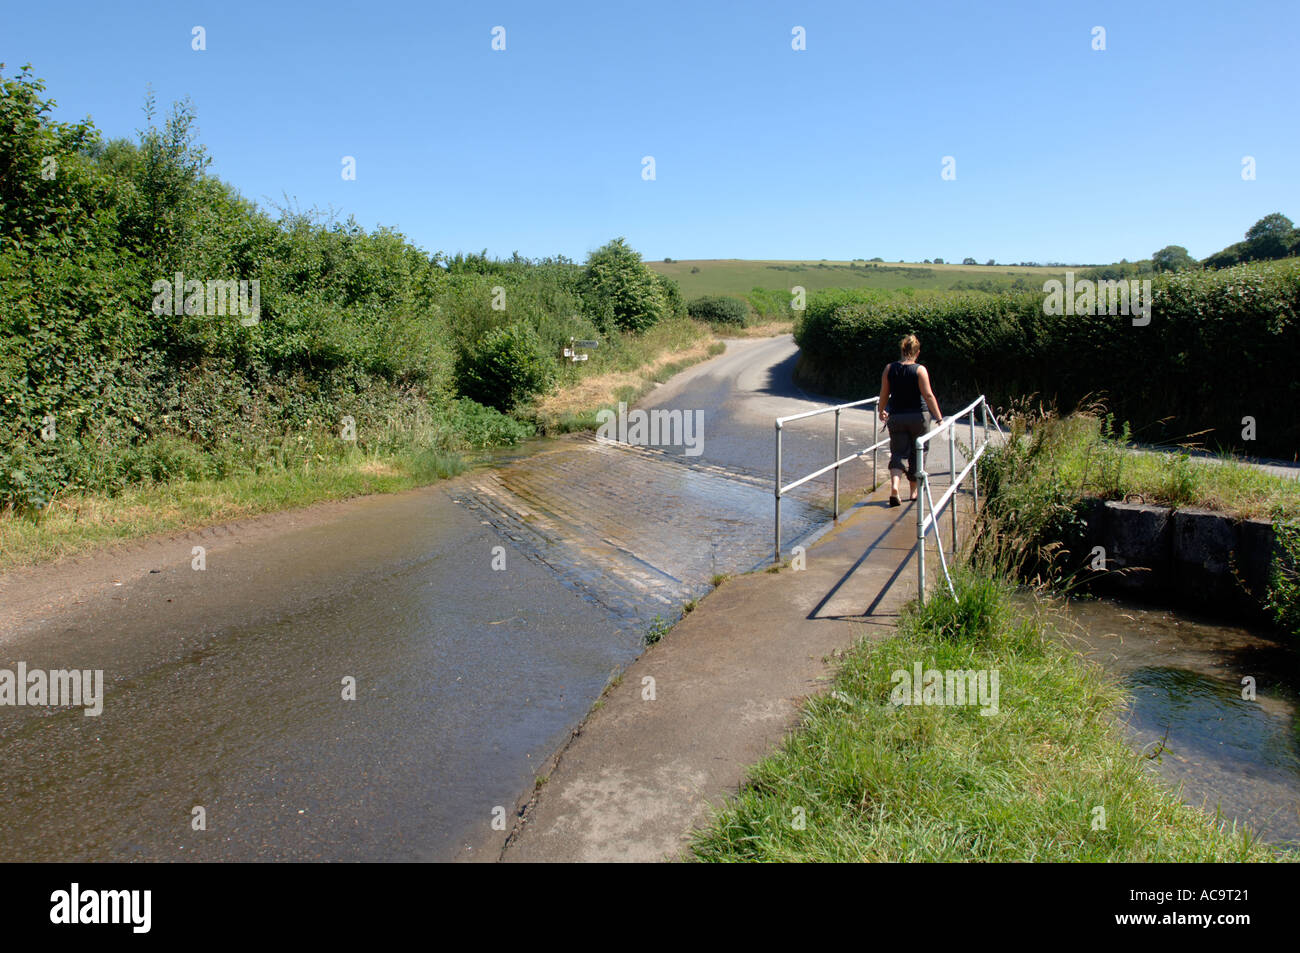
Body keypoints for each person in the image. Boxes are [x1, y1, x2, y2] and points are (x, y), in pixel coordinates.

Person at [877, 333, 942, 507]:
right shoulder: (920, 370)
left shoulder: (889, 369)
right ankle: (914, 492)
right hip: (919, 417)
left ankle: (895, 488)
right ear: (917, 352)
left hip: (897, 416)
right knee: (918, 452)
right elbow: (928, 395)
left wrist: (881, 410)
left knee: (898, 453)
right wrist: (939, 418)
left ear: (902, 349)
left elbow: (884, 393)